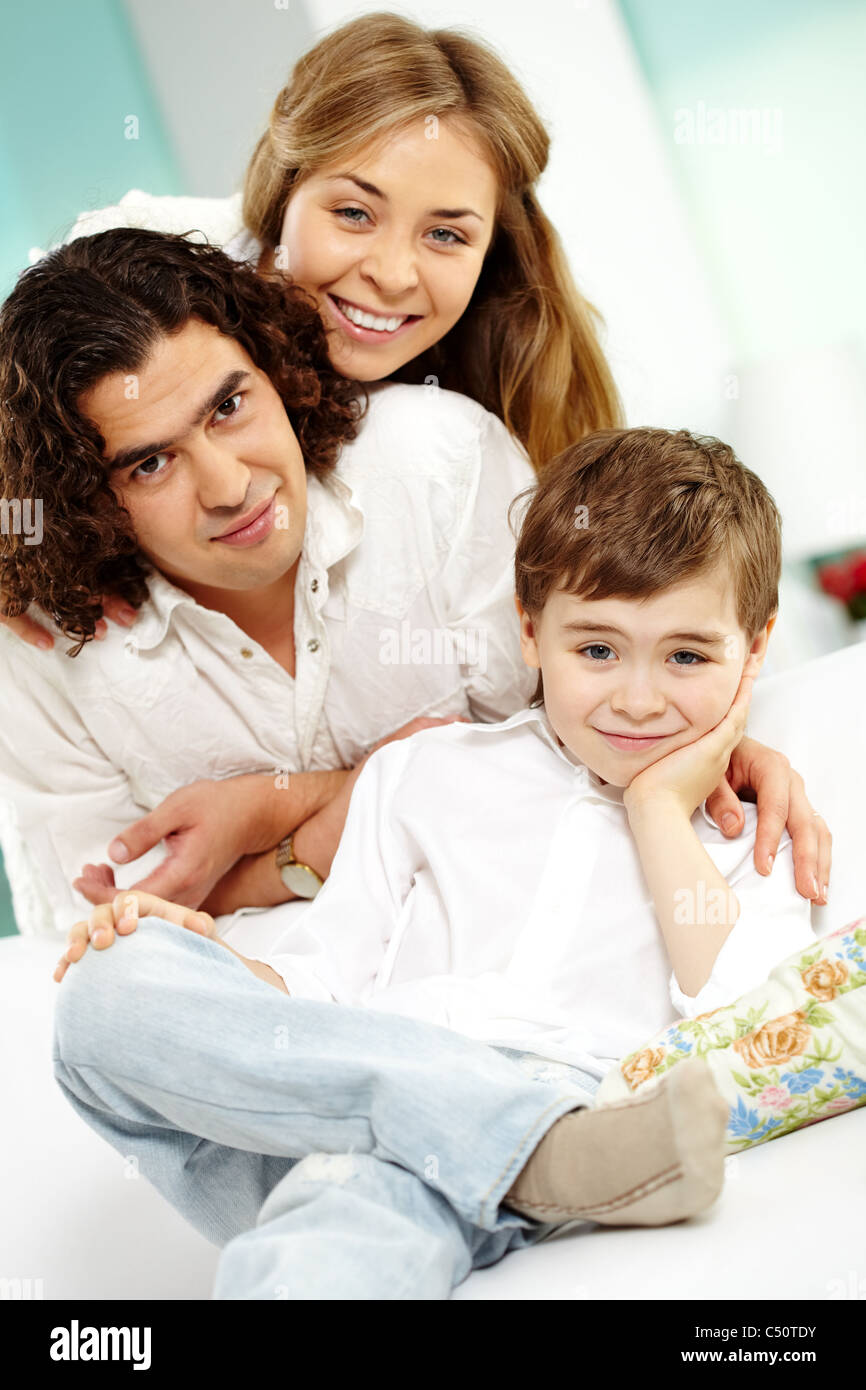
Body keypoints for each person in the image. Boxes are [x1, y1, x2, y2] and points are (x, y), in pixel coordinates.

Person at [53, 423, 818, 1300]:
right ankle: (520, 1148)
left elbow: (737, 1022)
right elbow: (326, 980)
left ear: (753, 652)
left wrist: (656, 808)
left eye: (686, 656)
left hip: (569, 1107)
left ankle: (513, 1138)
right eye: (596, 650)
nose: (637, 699)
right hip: (358, 1090)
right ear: (531, 633)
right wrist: (197, 963)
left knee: (357, 1206)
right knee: (103, 992)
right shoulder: (428, 771)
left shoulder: (751, 830)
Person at [0, 231, 829, 942]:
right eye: (149, 463)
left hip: (545, 934)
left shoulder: (437, 465)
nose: (227, 485)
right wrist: (330, 829)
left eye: (229, 407)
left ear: (272, 368)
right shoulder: (45, 644)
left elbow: (579, 736)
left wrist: (277, 818)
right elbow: (106, 921)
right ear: (84, 496)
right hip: (287, 1015)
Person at [2, 9, 619, 652]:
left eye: (445, 234)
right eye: (354, 213)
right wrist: (26, 535)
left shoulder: (490, 386)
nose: (391, 274)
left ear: (490, 247)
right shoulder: (140, 270)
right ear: (284, 188)